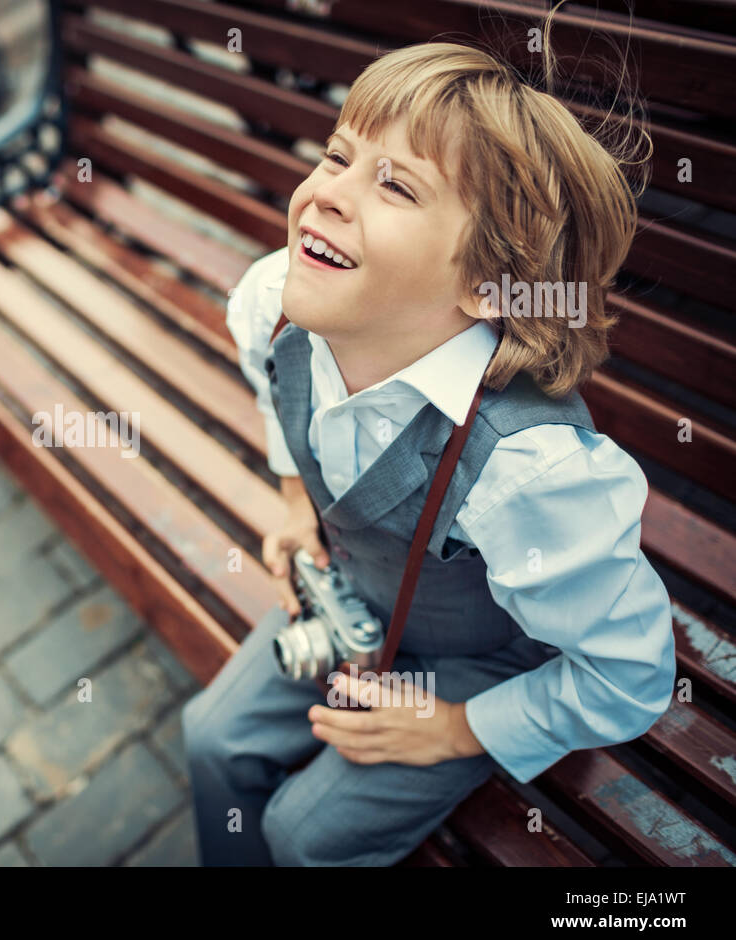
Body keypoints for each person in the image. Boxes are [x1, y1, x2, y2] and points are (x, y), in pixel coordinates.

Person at [181, 31, 675, 866]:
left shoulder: (529, 471)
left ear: (485, 281)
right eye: (337, 155)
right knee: (210, 741)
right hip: (357, 600)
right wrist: (299, 503)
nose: (328, 195)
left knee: (304, 836)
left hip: (482, 662)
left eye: (396, 186)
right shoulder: (276, 301)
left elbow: (632, 676)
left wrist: (453, 729)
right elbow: (278, 393)